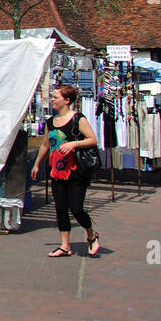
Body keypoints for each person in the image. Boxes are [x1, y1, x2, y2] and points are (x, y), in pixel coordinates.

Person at [31, 84, 102, 258]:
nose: (52, 99)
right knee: (60, 208)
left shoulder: (78, 119)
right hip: (56, 170)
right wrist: (37, 164)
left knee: (76, 209)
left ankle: (91, 234)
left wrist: (73, 144)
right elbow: (46, 144)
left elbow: (93, 140)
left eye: (56, 97)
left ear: (67, 100)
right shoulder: (50, 122)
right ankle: (65, 246)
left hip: (75, 170)